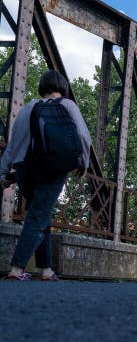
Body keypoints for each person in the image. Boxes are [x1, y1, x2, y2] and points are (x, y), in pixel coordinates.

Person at [0, 70, 91, 281]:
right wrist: (83, 163)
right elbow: (83, 136)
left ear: (43, 87)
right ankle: (16, 268)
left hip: (24, 170)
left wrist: (3, 171)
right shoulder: (67, 105)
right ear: (63, 87)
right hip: (52, 167)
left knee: (40, 213)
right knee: (38, 215)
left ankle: (46, 269)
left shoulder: (28, 108)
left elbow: (13, 145)